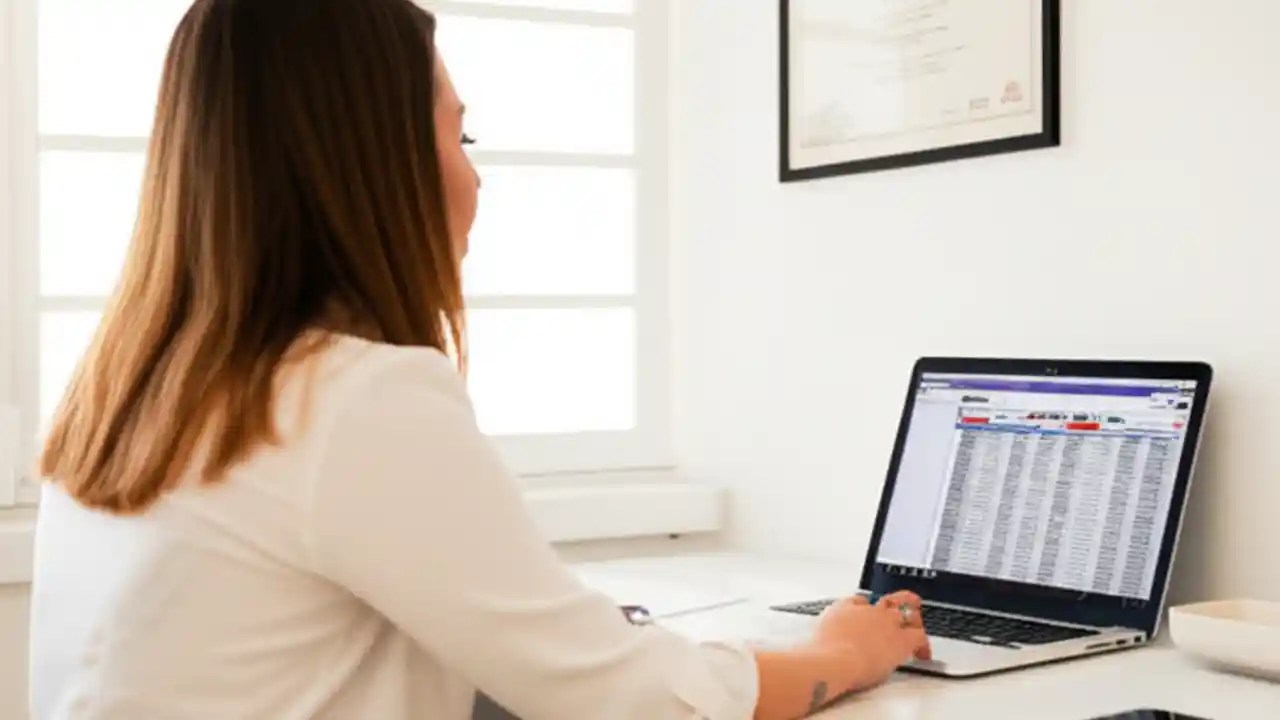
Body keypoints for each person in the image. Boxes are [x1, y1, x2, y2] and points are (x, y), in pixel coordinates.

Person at [26, 1, 931, 718]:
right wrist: (842, 653)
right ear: (368, 166)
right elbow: (635, 703)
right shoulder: (351, 398)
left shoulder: (129, 395)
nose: (474, 176)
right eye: (459, 137)